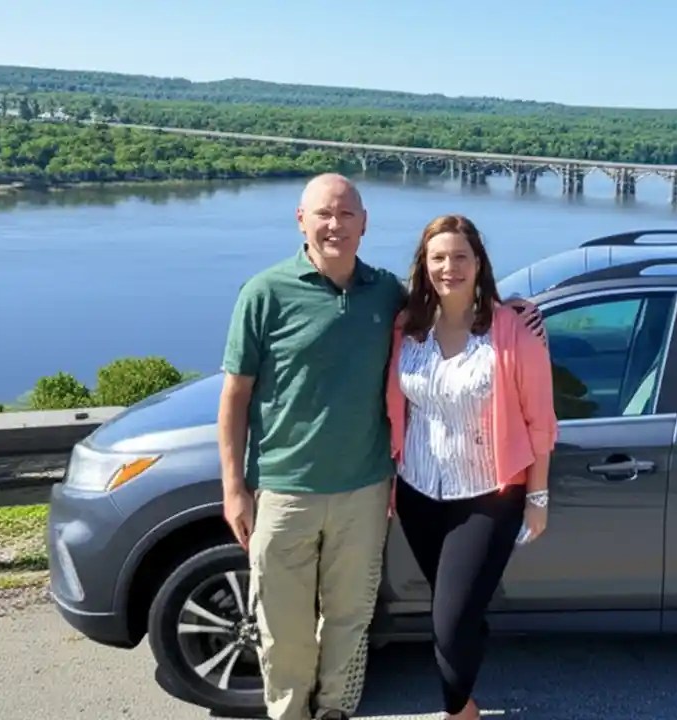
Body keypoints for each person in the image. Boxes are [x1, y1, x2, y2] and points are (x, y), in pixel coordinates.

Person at [218, 175, 541, 720]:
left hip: (367, 489)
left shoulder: (386, 295)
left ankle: (335, 713)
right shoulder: (265, 293)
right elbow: (236, 395)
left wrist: (513, 305)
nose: (334, 225)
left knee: (350, 620)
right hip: (285, 488)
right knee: (283, 627)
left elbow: (455, 296)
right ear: (301, 220)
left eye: (347, 215)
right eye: (323, 214)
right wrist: (234, 487)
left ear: (364, 224)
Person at [384, 214, 557, 720]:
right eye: (438, 257)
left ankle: (459, 711)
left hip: (487, 495)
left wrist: (538, 497)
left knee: (449, 620)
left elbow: (540, 419)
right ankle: (465, 658)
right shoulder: (406, 329)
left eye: (460, 256)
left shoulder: (513, 329)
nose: (449, 267)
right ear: (424, 266)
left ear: (478, 263)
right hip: (418, 492)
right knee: (454, 607)